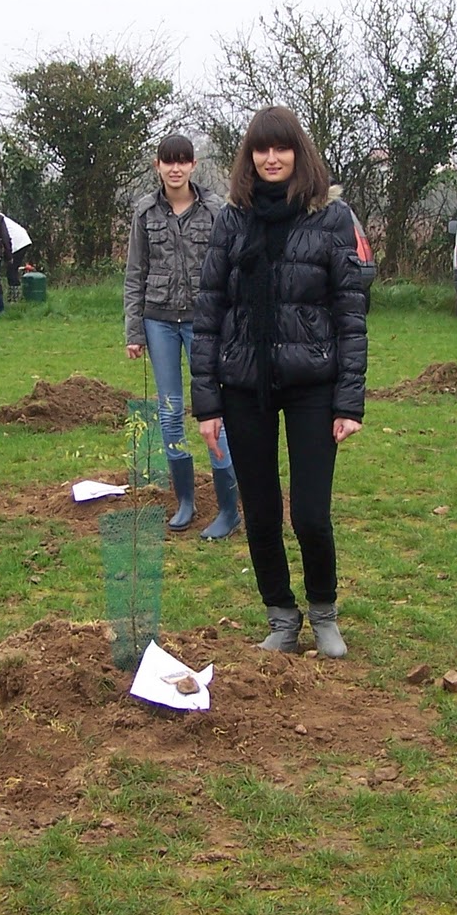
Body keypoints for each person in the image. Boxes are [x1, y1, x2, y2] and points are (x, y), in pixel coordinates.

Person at [192, 106, 367, 657]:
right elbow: (209, 310)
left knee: (310, 513)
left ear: (298, 153)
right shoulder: (232, 219)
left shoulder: (332, 219)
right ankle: (282, 618)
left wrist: (349, 401)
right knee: (261, 510)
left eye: (282, 148)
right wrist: (207, 404)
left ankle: (324, 614)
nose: (272, 158)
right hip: (244, 382)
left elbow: (350, 312)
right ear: (250, 157)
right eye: (261, 150)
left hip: (313, 382)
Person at [125, 133, 240, 539]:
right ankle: (186, 501)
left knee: (215, 415)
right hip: (158, 322)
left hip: (204, 323)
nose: (175, 168)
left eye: (183, 161)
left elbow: (232, 272)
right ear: (157, 166)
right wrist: (134, 331)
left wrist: (231, 324)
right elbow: (135, 274)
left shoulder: (216, 210)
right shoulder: (144, 212)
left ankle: (229, 508)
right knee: (171, 412)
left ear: (193, 165)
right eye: (167, 161)